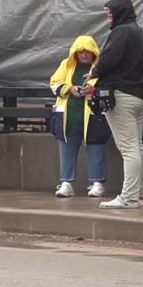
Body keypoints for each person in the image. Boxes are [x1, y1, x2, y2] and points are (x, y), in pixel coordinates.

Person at [91, 0, 143, 209]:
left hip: (121, 96)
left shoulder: (121, 32)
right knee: (137, 147)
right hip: (140, 96)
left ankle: (128, 197)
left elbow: (108, 58)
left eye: (110, 10)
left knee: (128, 148)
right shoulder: (141, 33)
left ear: (119, 11)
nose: (107, 14)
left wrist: (94, 72)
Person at [47, 35, 110, 198]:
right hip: (68, 115)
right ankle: (66, 183)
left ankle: (97, 183)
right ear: (75, 52)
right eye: (81, 51)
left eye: (87, 52)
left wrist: (93, 90)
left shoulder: (101, 67)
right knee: (67, 149)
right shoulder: (66, 65)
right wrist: (70, 88)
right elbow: (54, 83)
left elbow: (109, 85)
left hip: (94, 115)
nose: (84, 55)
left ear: (93, 52)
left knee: (96, 148)